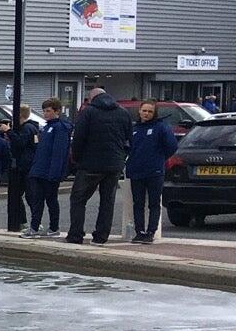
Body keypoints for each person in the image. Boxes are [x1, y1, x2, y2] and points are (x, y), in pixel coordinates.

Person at [65, 85, 130, 245]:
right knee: (107, 201)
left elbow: (78, 138)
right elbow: (129, 138)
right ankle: (101, 236)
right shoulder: (123, 112)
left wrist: (77, 160)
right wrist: (122, 157)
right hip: (114, 164)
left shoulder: (88, 112)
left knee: (78, 199)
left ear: (91, 98)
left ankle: (76, 235)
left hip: (90, 164)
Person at [126, 100, 177, 244]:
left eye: (150, 111)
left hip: (154, 172)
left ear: (154, 113)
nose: (146, 114)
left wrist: (159, 158)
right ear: (139, 111)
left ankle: (150, 232)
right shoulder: (134, 129)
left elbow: (172, 146)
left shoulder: (161, 128)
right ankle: (140, 231)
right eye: (144, 111)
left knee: (154, 204)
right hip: (136, 171)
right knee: (138, 203)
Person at [21, 98, 70, 237]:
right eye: (44, 111)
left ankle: (52, 227)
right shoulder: (47, 127)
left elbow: (58, 152)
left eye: (48, 111)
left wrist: (55, 172)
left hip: (48, 172)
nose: (45, 113)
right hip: (40, 169)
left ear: (57, 111)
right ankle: (36, 227)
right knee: (38, 200)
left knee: (50, 200)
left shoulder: (59, 128)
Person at [6, 104, 38, 234]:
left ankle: (34, 223)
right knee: (18, 195)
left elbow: (20, 142)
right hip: (25, 165)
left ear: (19, 115)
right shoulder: (32, 127)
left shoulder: (27, 128)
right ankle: (23, 221)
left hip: (26, 166)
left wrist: (8, 131)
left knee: (29, 195)